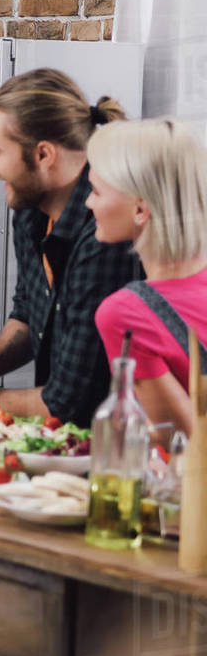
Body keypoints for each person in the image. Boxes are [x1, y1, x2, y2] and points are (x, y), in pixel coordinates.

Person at [0, 68, 141, 426]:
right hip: (61, 445)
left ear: (44, 155)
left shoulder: (104, 235)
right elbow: (29, 315)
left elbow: (69, 403)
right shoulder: (32, 210)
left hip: (116, 451)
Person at [88, 119, 207, 434]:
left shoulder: (126, 314)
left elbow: (186, 445)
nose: (88, 203)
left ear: (140, 209)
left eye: (96, 191)